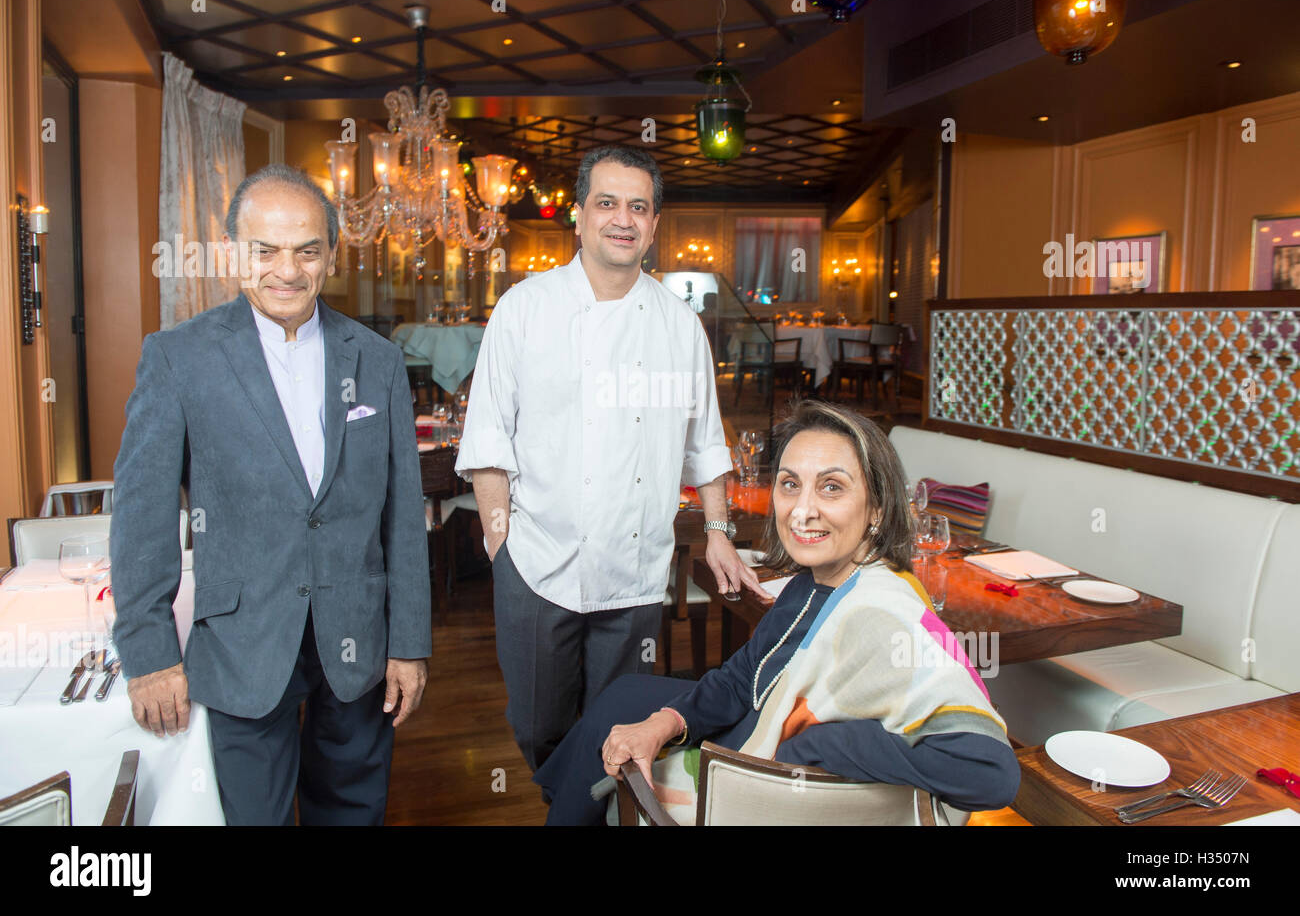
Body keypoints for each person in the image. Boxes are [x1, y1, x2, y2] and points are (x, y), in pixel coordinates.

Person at [110, 164, 431, 825]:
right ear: (234, 254)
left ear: (331, 257)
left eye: (307, 250)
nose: (287, 269)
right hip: (241, 644)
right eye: (266, 250)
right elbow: (141, 516)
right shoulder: (177, 357)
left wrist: (410, 640)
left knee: (354, 811)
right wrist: (148, 656)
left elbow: (403, 514)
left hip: (358, 643)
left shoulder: (377, 359)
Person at [534, 400, 1020, 824]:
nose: (802, 510)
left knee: (609, 727)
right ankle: (569, 797)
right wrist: (665, 724)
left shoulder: (879, 614)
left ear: (876, 507)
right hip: (762, 717)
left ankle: (573, 801)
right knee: (625, 696)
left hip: (768, 772)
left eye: (831, 487)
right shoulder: (812, 584)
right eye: (790, 484)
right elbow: (741, 678)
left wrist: (815, 744)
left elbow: (990, 773)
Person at [455, 145, 764, 771]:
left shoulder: (679, 326)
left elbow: (704, 442)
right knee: (537, 725)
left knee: (619, 731)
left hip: (635, 571)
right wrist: (500, 545)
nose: (623, 219)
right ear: (578, 215)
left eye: (638, 207)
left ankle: (591, 811)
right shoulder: (524, 309)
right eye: (607, 203)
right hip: (536, 565)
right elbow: (487, 437)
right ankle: (562, 800)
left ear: (653, 225)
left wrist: (719, 531)